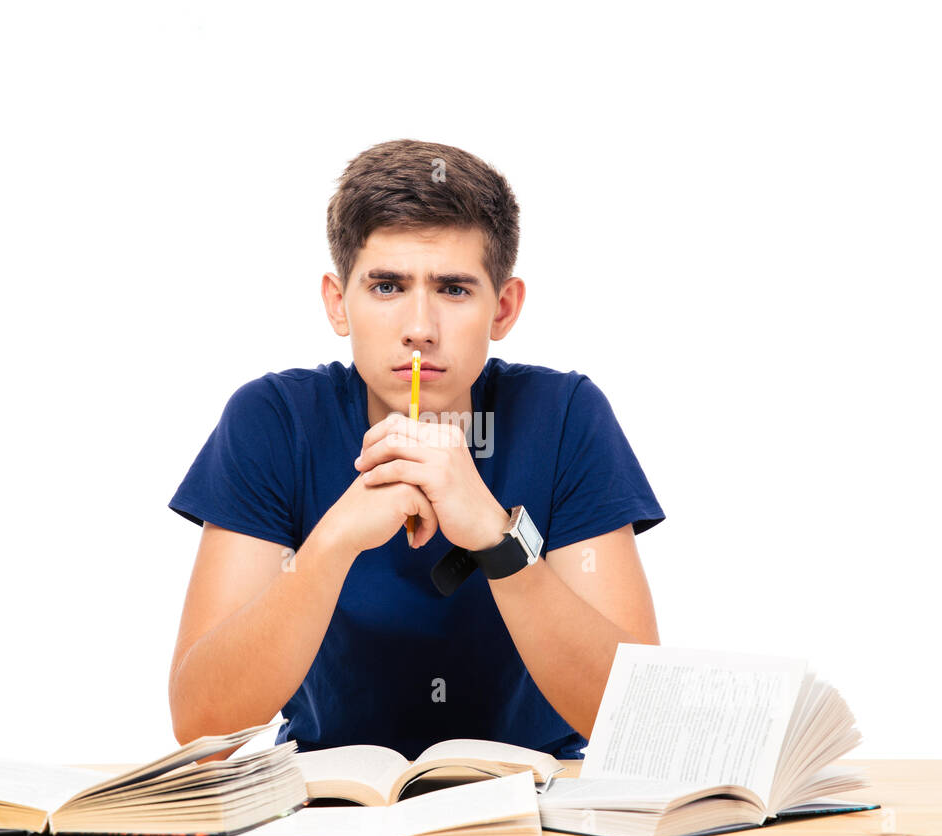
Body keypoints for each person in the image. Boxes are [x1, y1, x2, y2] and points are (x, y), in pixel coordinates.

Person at [167, 139, 664, 761]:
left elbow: (639, 718)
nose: (420, 327)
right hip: (333, 807)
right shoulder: (272, 420)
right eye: (386, 286)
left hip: (537, 801)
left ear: (503, 308)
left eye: (454, 289)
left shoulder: (564, 415)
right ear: (336, 302)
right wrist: (330, 543)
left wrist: (494, 536)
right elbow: (203, 729)